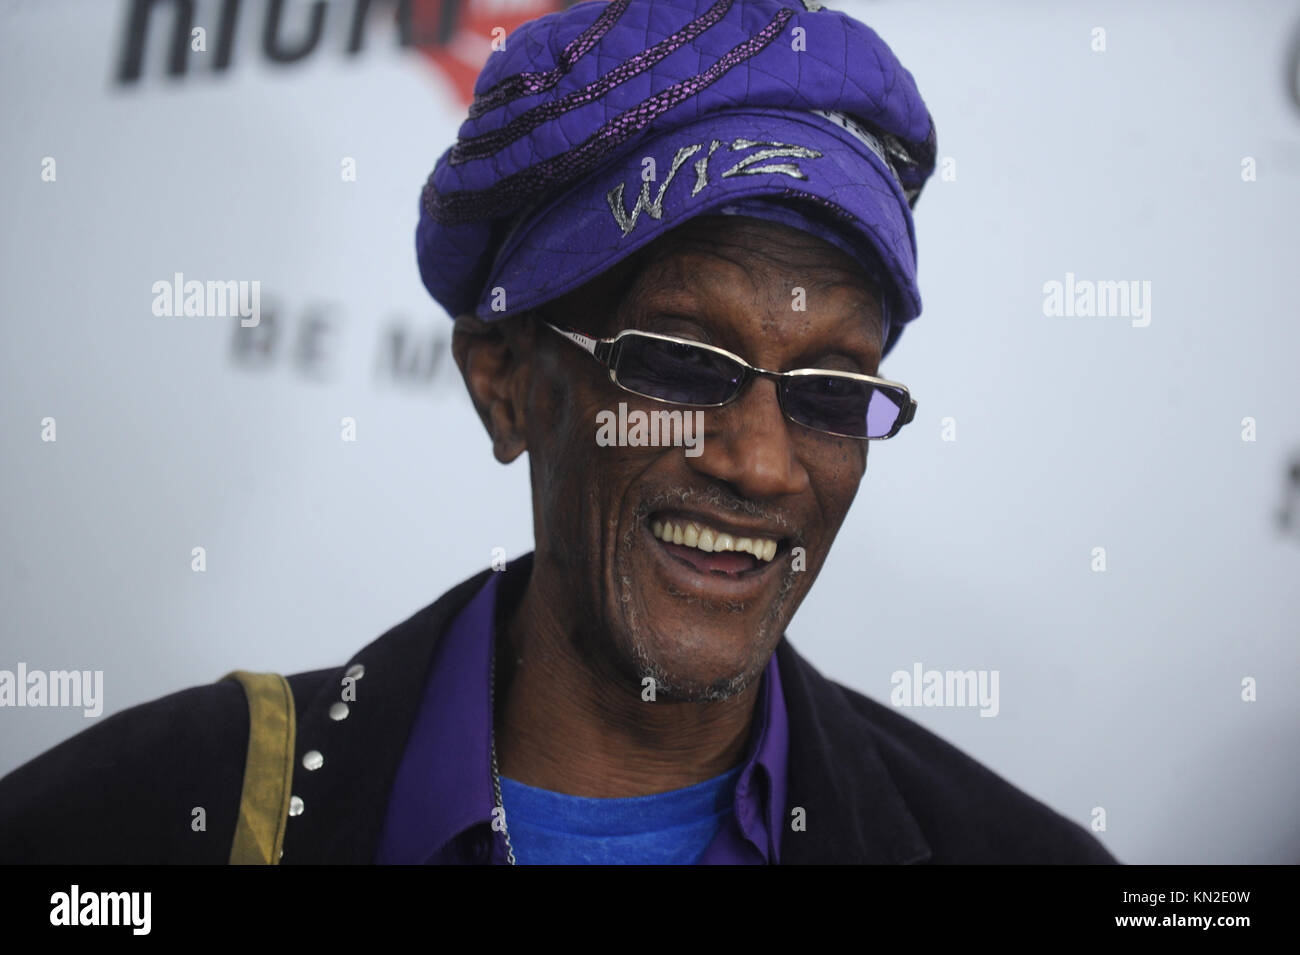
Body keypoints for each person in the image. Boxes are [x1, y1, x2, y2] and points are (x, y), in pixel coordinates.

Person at [0, 0, 1116, 865]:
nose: (764, 462)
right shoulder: (154, 819)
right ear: (505, 382)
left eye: (828, 388)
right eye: (682, 363)